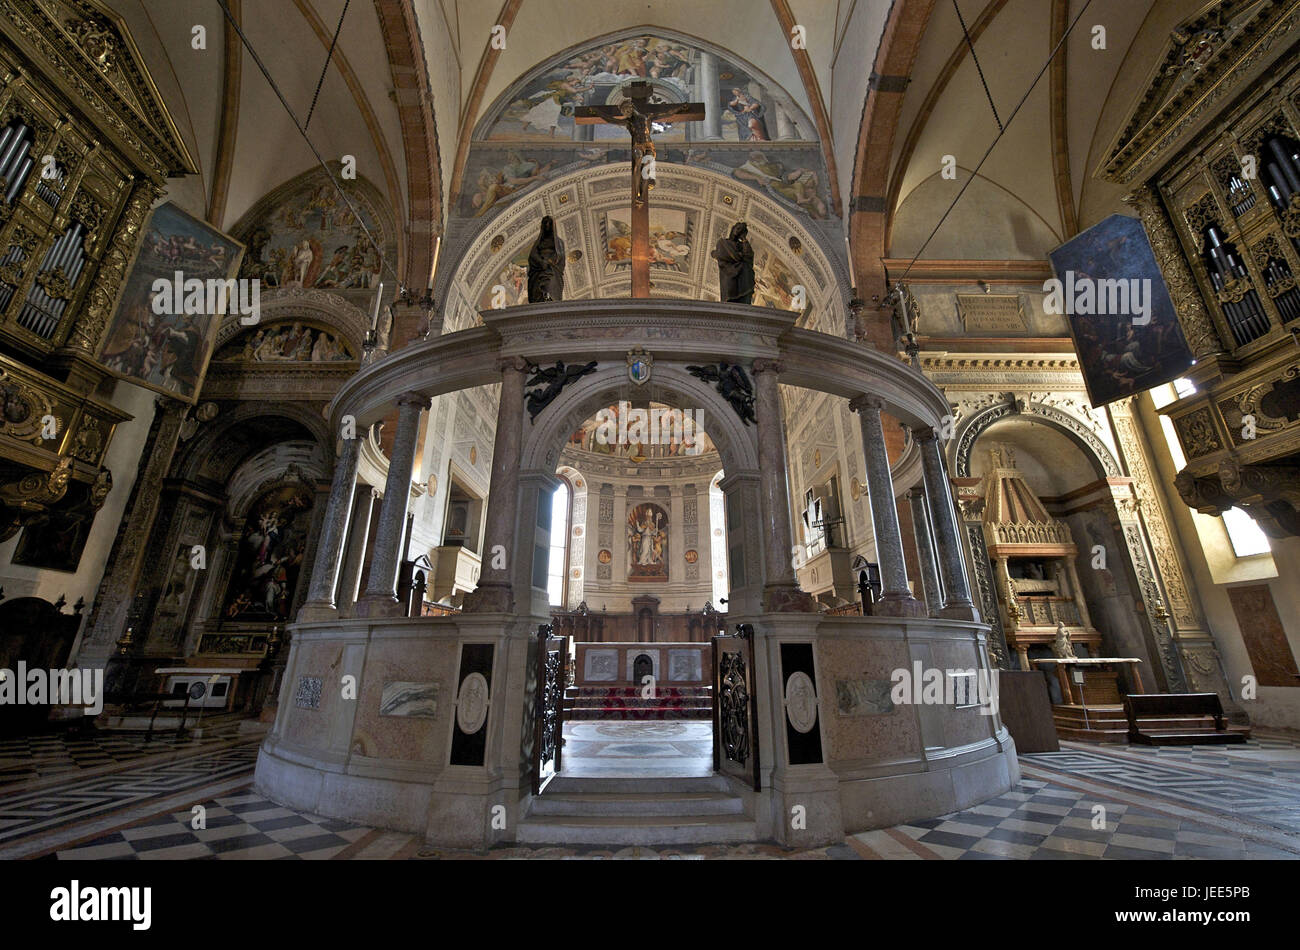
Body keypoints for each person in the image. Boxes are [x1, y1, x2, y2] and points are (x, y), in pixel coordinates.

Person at [712, 221, 755, 304]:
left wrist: (744, 239)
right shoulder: (723, 243)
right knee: (730, 293)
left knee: (746, 268)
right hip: (729, 272)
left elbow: (749, 256)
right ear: (733, 228)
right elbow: (722, 254)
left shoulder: (742, 244)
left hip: (742, 272)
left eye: (741, 231)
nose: (738, 231)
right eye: (738, 228)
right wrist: (739, 256)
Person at [527, 215, 565, 302]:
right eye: (545, 223)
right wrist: (541, 261)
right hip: (539, 267)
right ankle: (541, 297)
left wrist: (551, 261)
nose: (547, 225)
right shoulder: (539, 242)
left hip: (552, 268)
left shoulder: (559, 242)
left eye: (549, 223)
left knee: (549, 282)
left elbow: (561, 255)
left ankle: (549, 297)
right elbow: (533, 255)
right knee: (538, 285)